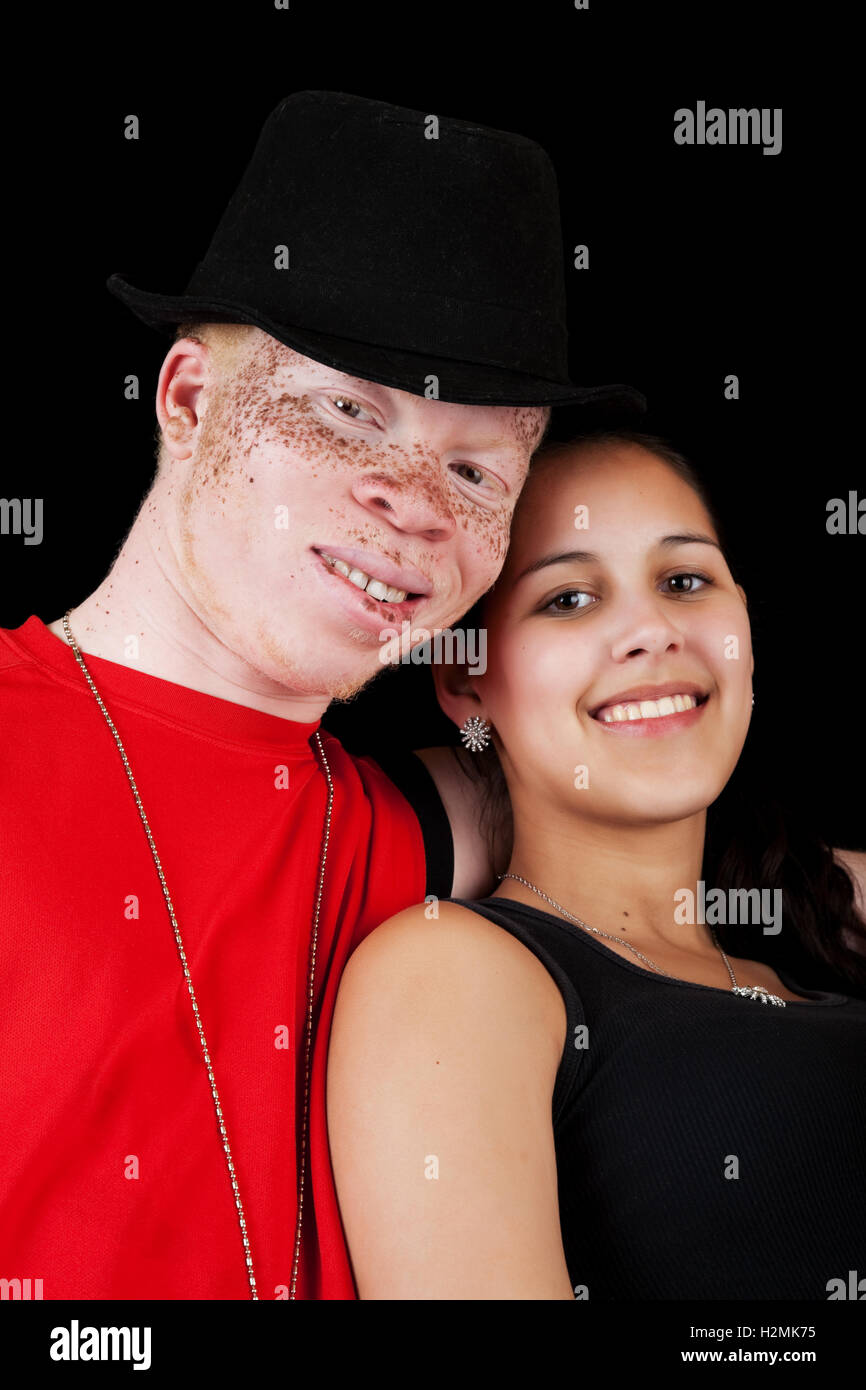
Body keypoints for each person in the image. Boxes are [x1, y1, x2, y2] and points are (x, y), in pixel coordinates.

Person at [0, 90, 643, 1300]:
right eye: (348, 410)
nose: (414, 501)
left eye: (475, 471)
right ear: (189, 400)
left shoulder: (415, 832)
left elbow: (664, 811)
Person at [327, 429, 866, 1300]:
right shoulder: (452, 970)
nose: (653, 631)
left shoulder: (825, 917)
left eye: (684, 582)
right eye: (569, 599)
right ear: (467, 681)